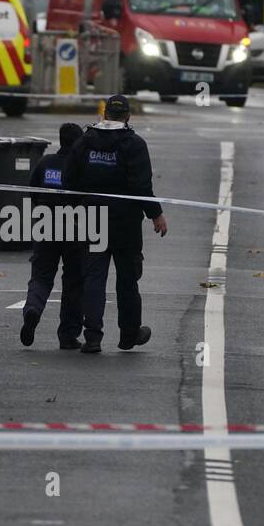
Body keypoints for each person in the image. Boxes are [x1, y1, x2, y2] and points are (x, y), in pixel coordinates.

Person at [64, 94, 166, 354]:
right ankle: (129, 334)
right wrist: (156, 214)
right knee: (128, 279)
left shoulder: (85, 142)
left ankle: (93, 337)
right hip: (126, 223)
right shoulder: (134, 144)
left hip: (93, 219)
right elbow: (141, 186)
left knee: (94, 278)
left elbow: (69, 179)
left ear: (104, 114)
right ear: (128, 116)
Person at [20, 122, 87, 350]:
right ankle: (68, 335)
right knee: (74, 281)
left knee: (41, 275)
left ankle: (32, 310)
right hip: (76, 227)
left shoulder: (46, 162)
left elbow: (32, 192)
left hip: (46, 224)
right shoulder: (81, 166)